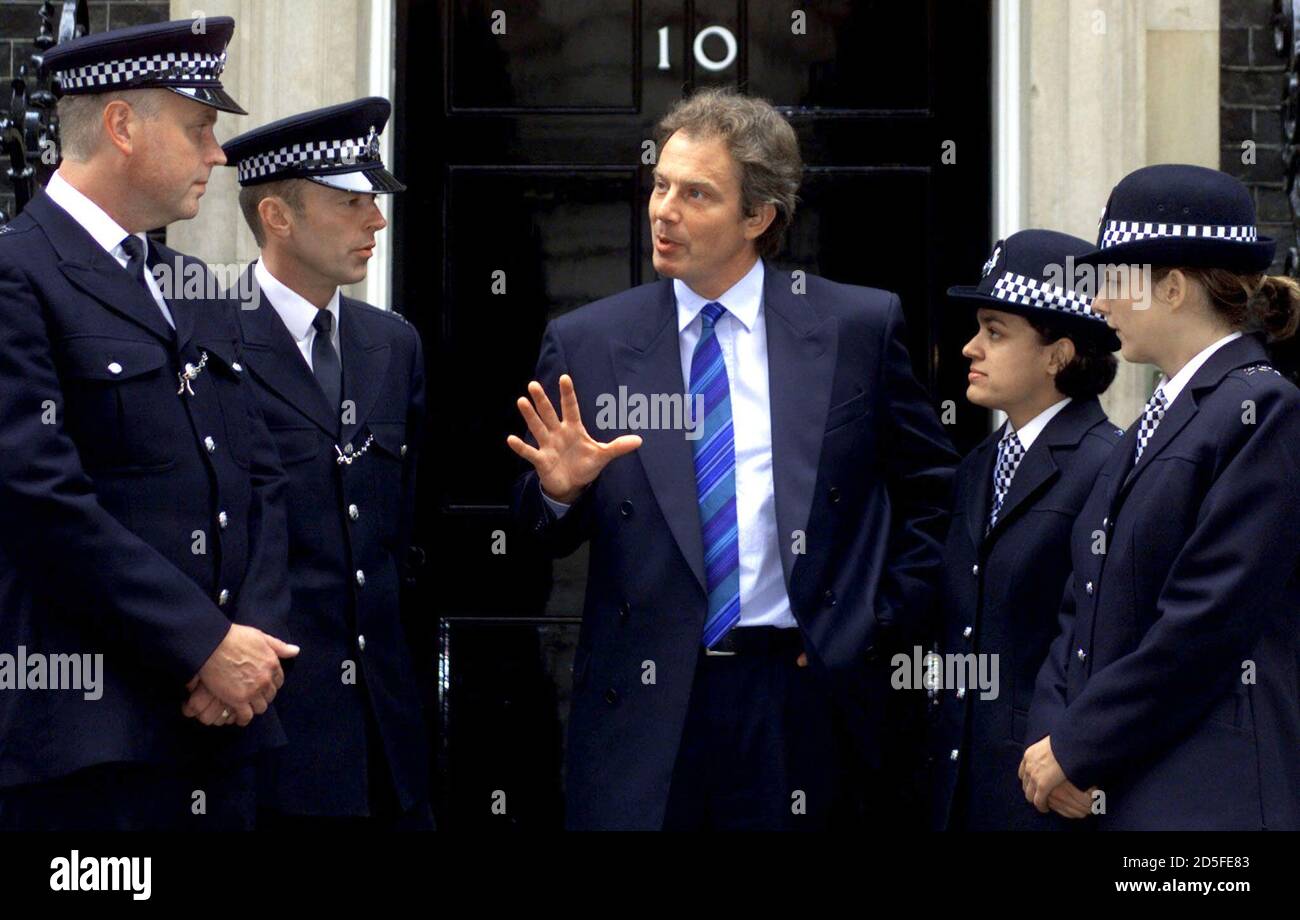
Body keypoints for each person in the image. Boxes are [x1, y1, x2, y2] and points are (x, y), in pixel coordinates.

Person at [508, 87, 958, 830]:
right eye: (659, 185)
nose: (663, 210)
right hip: (644, 708)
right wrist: (558, 494)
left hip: (802, 700)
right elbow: (533, 530)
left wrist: (871, 626)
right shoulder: (589, 341)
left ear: (758, 217)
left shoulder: (856, 328)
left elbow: (933, 494)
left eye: (696, 194)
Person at [0, 18, 296, 831]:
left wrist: (252, 647)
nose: (217, 153)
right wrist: (202, 645)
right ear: (123, 126)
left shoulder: (190, 282)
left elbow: (261, 474)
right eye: (199, 127)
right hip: (91, 749)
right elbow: (37, 499)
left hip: (221, 731)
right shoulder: (18, 273)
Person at [1022, 164, 1300, 830]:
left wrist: (1078, 746)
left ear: (1173, 288)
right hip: (1128, 786)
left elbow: (1205, 621)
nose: (1098, 303)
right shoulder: (1155, 421)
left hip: (1208, 801)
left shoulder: (1262, 408)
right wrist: (1053, 742)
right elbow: (1080, 604)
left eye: (1115, 281)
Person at [222, 98, 433, 829]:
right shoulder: (208, 341)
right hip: (267, 743)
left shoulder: (392, 343)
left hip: (389, 745)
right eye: (352, 202)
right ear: (278, 216)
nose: (376, 222)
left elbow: (402, 532)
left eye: (373, 202)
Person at [929, 229, 1121, 830]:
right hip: (956, 790)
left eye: (994, 330)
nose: (969, 348)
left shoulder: (1111, 465)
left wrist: (1085, 758)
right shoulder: (977, 466)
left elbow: (1117, 637)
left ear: (1059, 354)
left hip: (1046, 798)